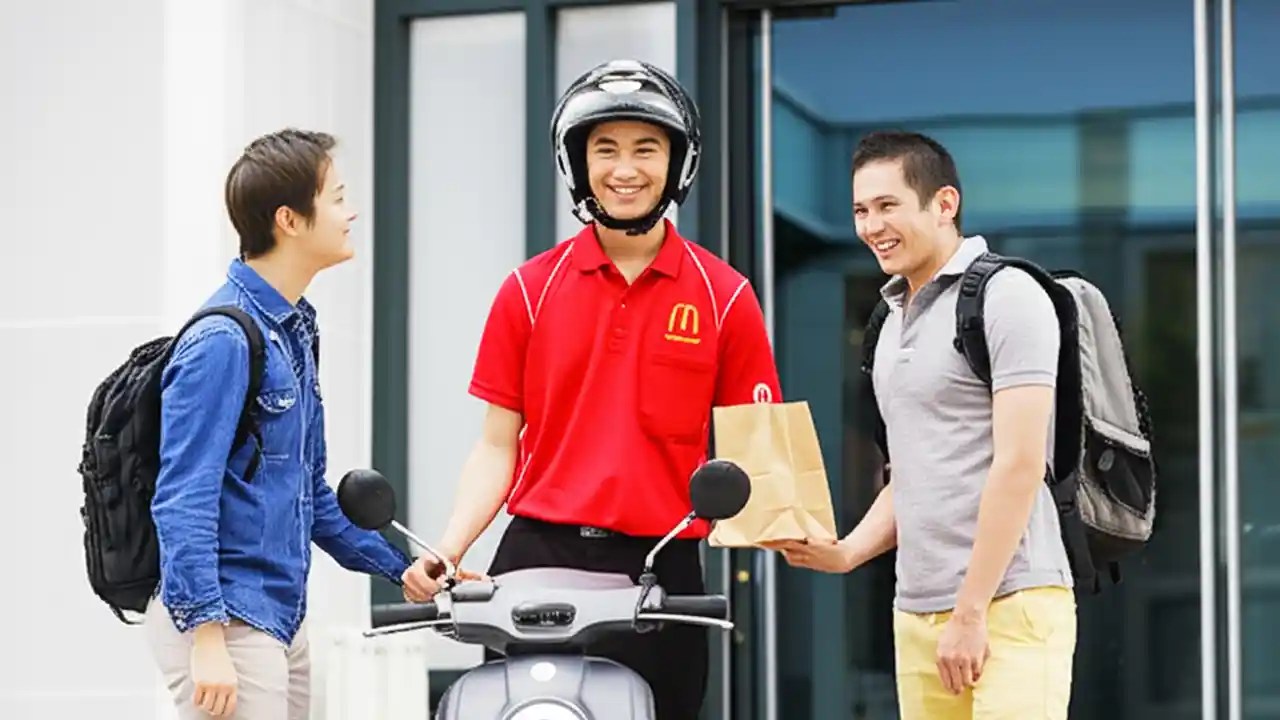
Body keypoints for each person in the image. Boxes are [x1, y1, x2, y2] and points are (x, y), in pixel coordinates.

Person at [412, 59, 781, 720]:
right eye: (604, 149)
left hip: (662, 567)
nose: (625, 169)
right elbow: (498, 446)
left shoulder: (727, 298)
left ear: (678, 162)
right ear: (577, 164)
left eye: (647, 148)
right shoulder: (528, 289)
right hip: (534, 557)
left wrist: (786, 526)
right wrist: (449, 547)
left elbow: (759, 457)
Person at [769, 130, 1077, 720]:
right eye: (860, 210)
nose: (871, 226)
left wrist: (970, 612)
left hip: (1009, 604)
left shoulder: (1007, 296)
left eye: (888, 206)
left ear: (944, 204)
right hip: (916, 613)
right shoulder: (889, 321)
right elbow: (910, 474)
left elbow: (1018, 464)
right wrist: (847, 552)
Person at [144, 128, 438, 719]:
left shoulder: (294, 332)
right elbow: (182, 496)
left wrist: (399, 567)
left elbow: (308, 495)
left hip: (278, 613)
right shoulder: (223, 341)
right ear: (290, 219)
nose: (350, 212)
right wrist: (206, 634)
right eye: (336, 197)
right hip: (226, 618)